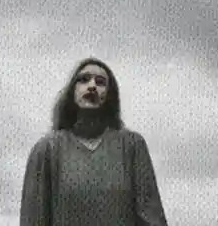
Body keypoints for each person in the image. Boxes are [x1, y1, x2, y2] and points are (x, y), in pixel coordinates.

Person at [20, 57, 168, 225]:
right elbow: (33, 219)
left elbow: (152, 217)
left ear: (110, 95)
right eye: (83, 80)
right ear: (72, 91)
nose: (92, 86)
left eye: (100, 82)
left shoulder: (132, 145)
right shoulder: (47, 150)